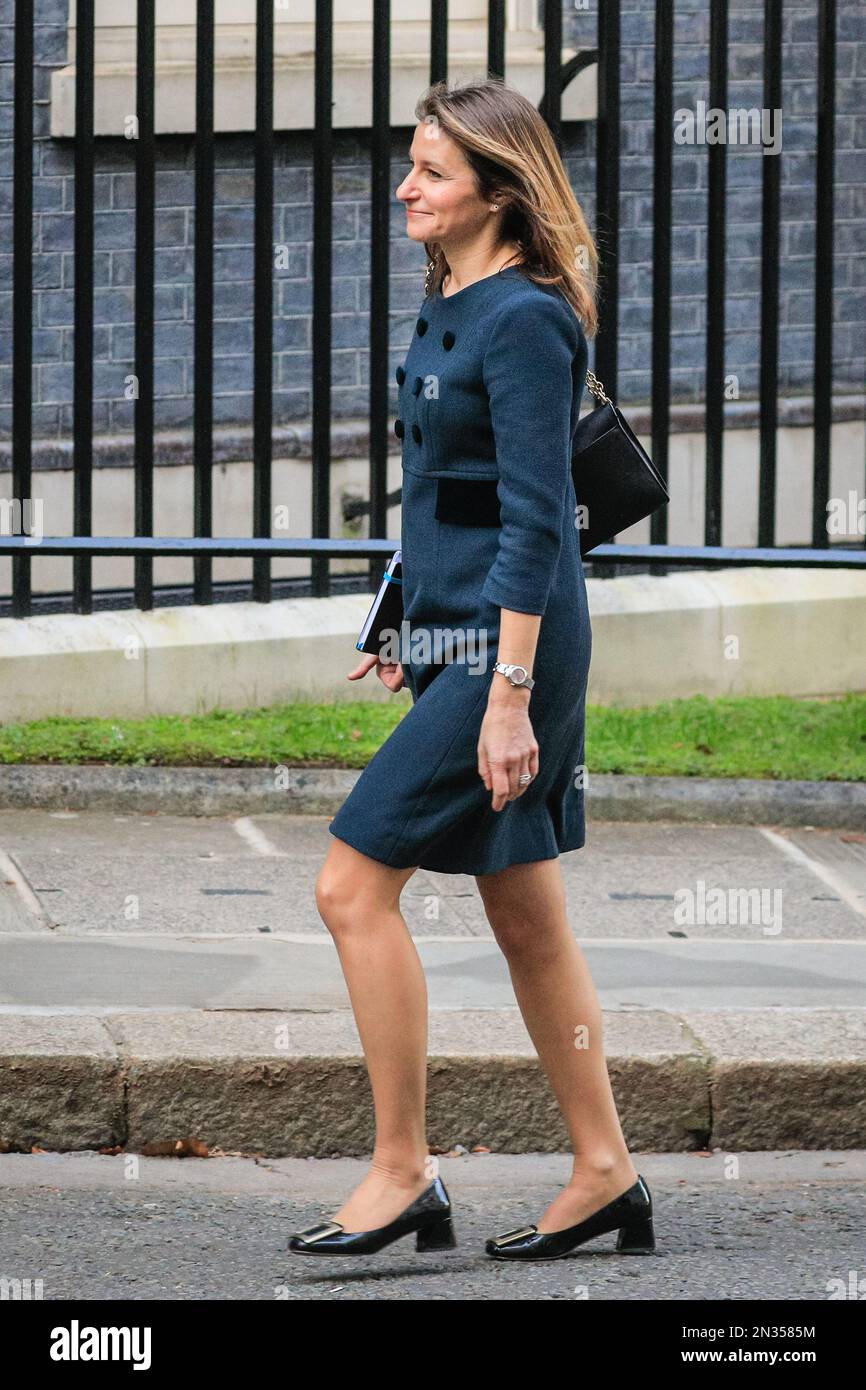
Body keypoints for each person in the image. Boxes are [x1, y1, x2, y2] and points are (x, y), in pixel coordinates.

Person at [289, 78, 654, 1263]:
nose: (405, 187)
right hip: (461, 635)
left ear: (498, 192)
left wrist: (502, 696)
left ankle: (402, 1173)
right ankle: (605, 1172)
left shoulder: (529, 321)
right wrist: (406, 617)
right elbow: (451, 489)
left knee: (351, 887)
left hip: (516, 653)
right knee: (527, 919)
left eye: (432, 173)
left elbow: (539, 524)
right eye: (410, 165)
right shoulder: (449, 296)